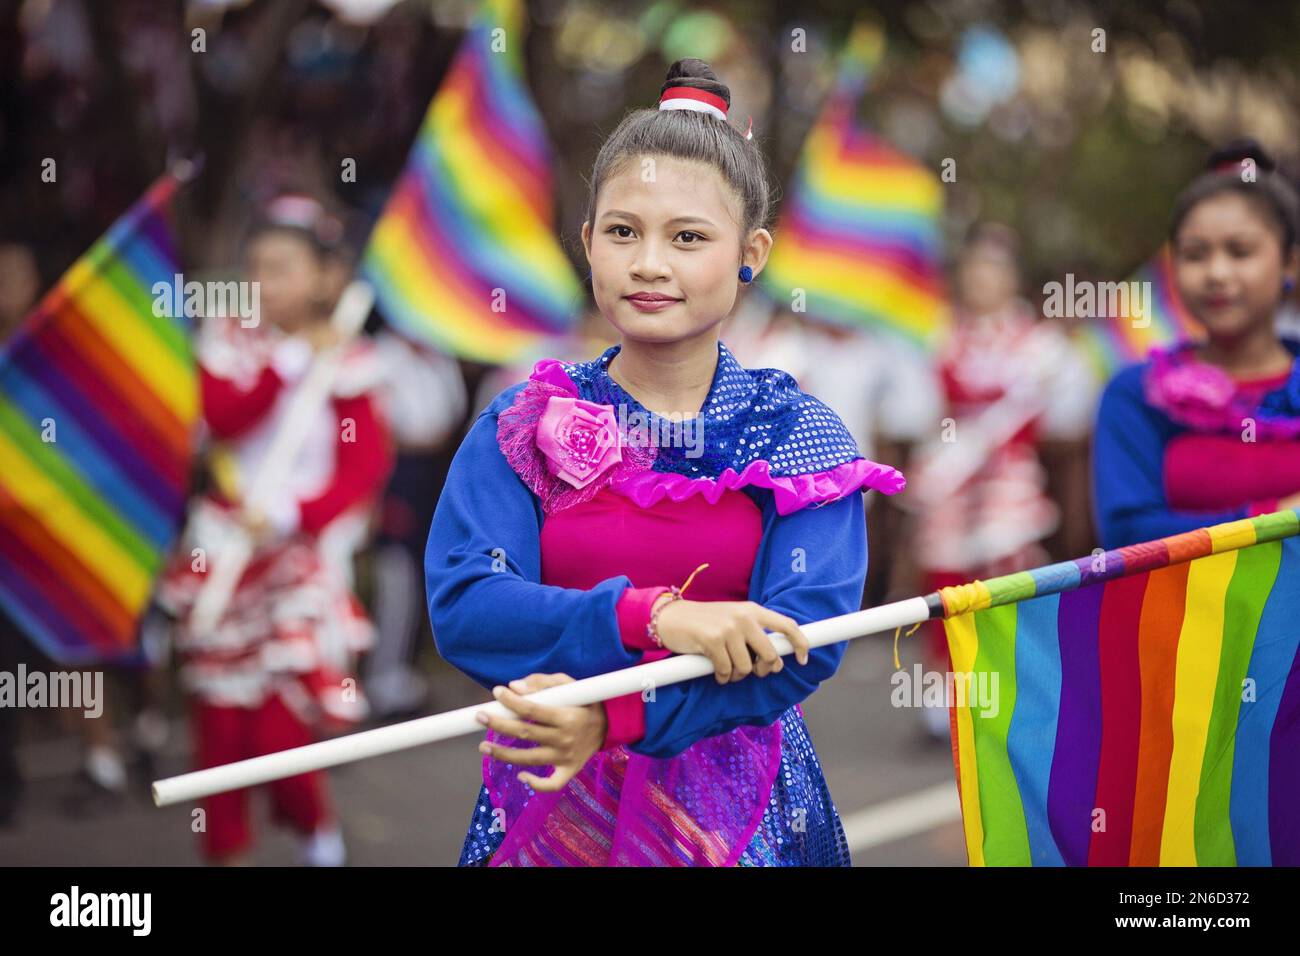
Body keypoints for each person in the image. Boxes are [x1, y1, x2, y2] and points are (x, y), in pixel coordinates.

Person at [425, 59, 906, 867]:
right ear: (587, 243)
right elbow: (469, 605)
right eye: (623, 232)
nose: (650, 263)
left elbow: (804, 643)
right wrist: (649, 617)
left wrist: (612, 717)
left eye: (687, 237)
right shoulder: (521, 421)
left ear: (751, 253)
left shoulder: (799, 435)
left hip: (738, 813)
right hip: (550, 799)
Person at [156, 194, 394, 865]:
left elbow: (363, 466)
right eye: (256, 265)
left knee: (281, 729)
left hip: (301, 567)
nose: (265, 280)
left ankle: (318, 839)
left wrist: (294, 515)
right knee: (220, 735)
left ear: (325, 276)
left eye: (283, 266)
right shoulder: (230, 340)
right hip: (223, 558)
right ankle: (224, 850)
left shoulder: (351, 358)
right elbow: (221, 417)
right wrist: (288, 362)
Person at [905, 223, 1097, 739]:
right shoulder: (942, 333)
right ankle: (945, 689)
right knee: (942, 576)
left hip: (1008, 480)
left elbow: (1066, 420)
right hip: (951, 476)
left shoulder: (1040, 347)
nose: (982, 280)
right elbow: (918, 407)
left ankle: (1009, 681)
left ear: (1012, 278)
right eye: (974, 268)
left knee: (1006, 574)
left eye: (994, 269)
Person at [1093, 139, 1300, 549]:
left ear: (1290, 263)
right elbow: (1128, 539)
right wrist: (1276, 519)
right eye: (1194, 254)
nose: (1216, 273)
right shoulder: (1136, 394)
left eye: (1240, 252)